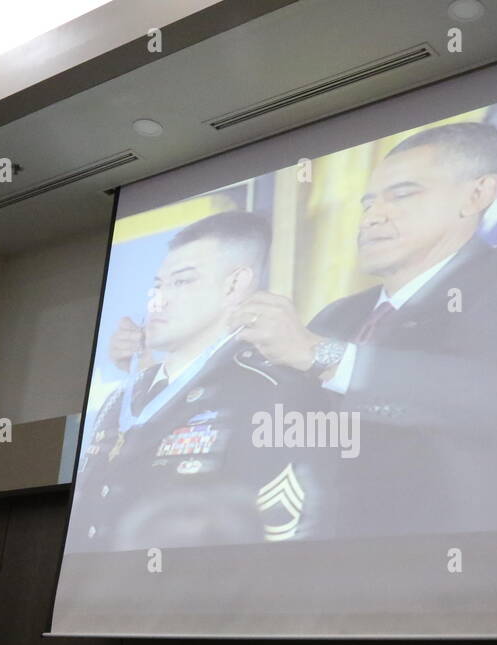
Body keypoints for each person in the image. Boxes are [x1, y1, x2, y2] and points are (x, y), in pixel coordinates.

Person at [232, 121, 497, 537]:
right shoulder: (339, 316)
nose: (372, 217)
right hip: (312, 565)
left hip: (447, 571)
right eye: (367, 203)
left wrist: (320, 355)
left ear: (477, 194)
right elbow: (275, 429)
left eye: (401, 195)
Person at [67, 211, 329, 552]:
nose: (158, 300)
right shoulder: (127, 395)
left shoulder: (270, 389)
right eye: (158, 285)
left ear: (234, 285)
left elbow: (284, 532)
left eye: (182, 281)